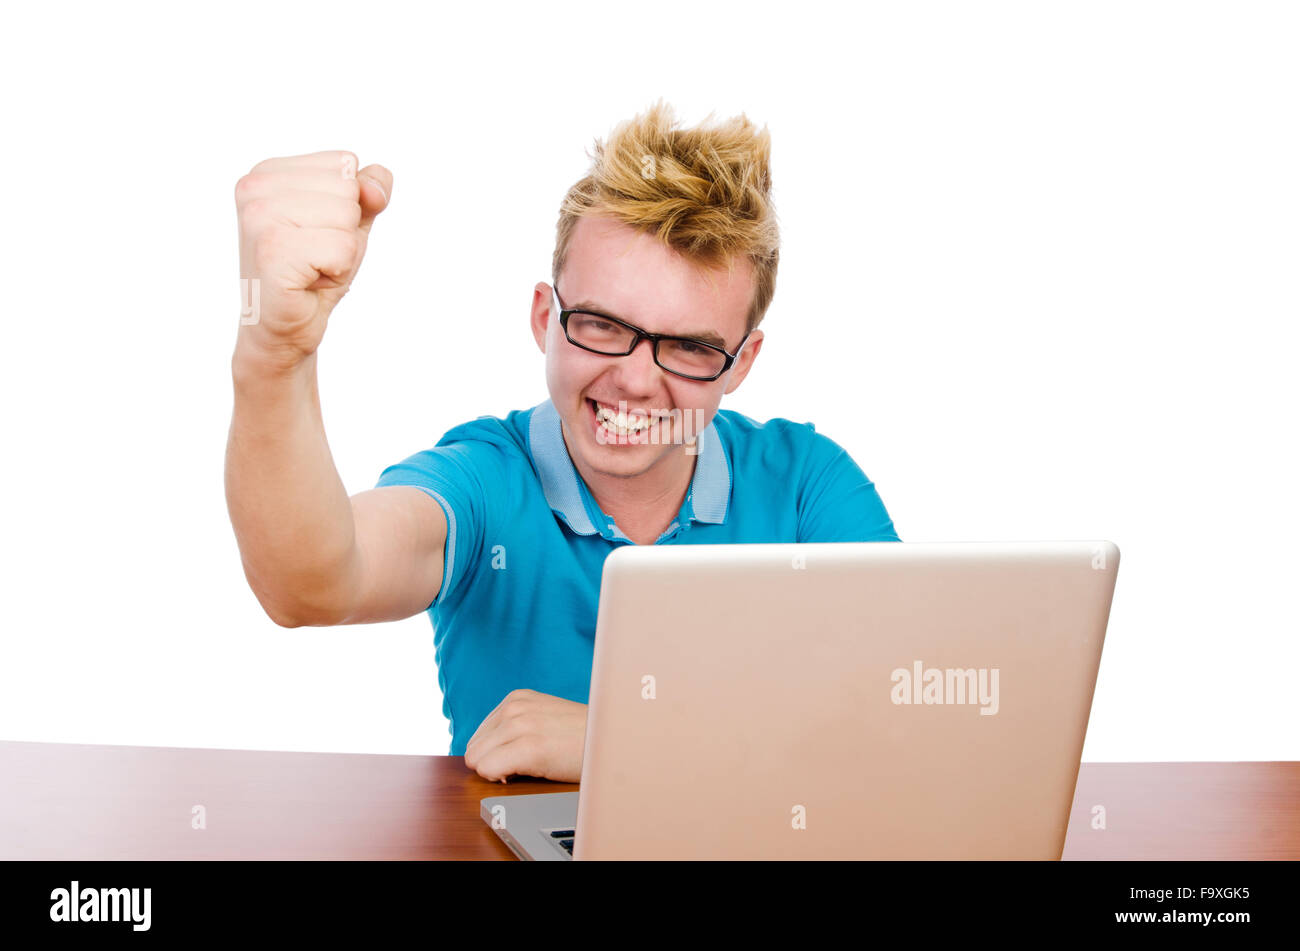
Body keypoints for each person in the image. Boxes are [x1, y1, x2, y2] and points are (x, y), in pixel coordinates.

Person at [226, 101, 900, 785]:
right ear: (545, 319)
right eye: (603, 325)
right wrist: (276, 356)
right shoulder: (486, 482)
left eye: (690, 347)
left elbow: (905, 720)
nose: (637, 380)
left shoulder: (806, 486)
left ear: (742, 361)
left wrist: (621, 743)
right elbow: (309, 582)